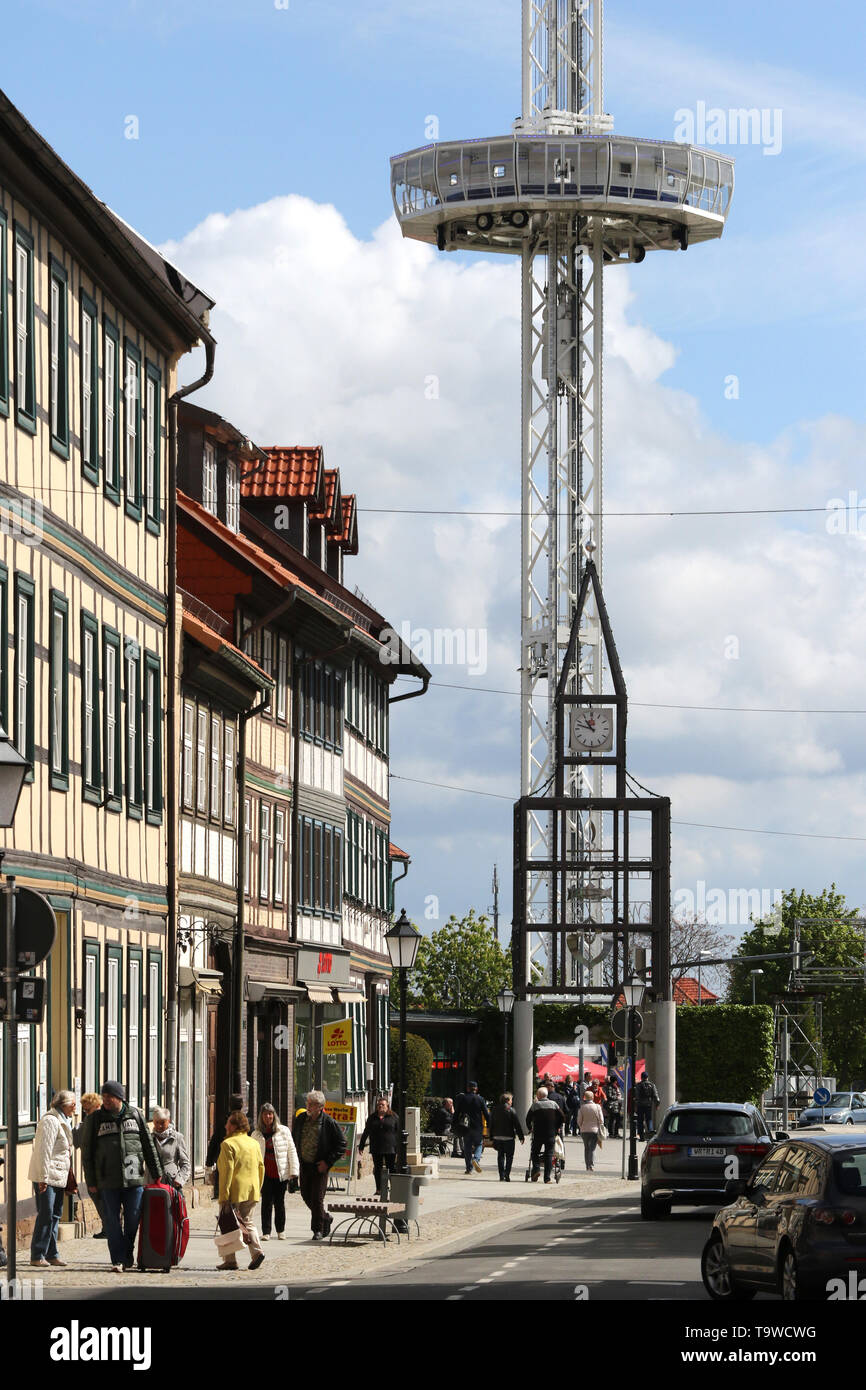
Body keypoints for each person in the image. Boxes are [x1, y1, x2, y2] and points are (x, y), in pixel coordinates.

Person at [82, 1081, 164, 1273]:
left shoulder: (135, 1115)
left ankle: (127, 1254)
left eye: (109, 1097)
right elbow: (87, 1153)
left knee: (133, 1219)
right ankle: (117, 1259)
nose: (106, 1101)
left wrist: (157, 1173)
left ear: (120, 1098)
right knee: (111, 1221)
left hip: (133, 1177)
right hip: (107, 1179)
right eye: (104, 1097)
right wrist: (91, 1181)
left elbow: (148, 1145)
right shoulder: (96, 1119)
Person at [28, 1089, 76, 1267]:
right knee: (46, 1215)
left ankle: (52, 1253)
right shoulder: (50, 1121)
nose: (75, 1106)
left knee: (55, 1215)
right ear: (64, 1104)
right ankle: (37, 1254)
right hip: (47, 1175)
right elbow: (43, 1151)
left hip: (59, 1175)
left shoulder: (65, 1120)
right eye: (72, 1103)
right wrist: (42, 1178)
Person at [291, 1091, 347, 1241]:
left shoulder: (328, 1122)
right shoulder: (301, 1119)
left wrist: (327, 1162)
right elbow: (294, 1138)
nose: (307, 1106)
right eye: (307, 1103)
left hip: (319, 1166)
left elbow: (342, 1144)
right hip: (304, 1164)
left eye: (311, 1104)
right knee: (305, 1195)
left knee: (317, 1199)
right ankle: (325, 1217)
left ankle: (318, 1229)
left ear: (320, 1107)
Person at [216, 1110, 266, 1270]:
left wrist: (223, 1196)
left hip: (234, 1190)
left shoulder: (228, 1144)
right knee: (247, 1222)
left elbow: (227, 1171)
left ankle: (233, 1260)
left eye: (228, 1122)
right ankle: (254, 1253)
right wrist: (258, 1187)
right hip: (252, 1189)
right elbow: (261, 1167)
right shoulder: (253, 1143)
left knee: (229, 1224)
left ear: (235, 1126)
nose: (225, 1125)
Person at [251, 1103, 299, 1240]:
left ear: (274, 1115)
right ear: (261, 1116)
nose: (268, 1117)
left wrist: (294, 1170)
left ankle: (280, 1230)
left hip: (280, 1172)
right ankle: (266, 1232)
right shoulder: (256, 1134)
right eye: (265, 1114)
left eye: (270, 1114)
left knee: (279, 1202)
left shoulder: (283, 1131)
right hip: (264, 1173)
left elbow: (291, 1150)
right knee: (266, 1202)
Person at [74, 1093, 107, 1237]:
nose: (86, 1113)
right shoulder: (90, 1121)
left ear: (98, 1106)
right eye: (85, 1111)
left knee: (101, 1199)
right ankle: (109, 1227)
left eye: (88, 1110)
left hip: (99, 1168)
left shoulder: (94, 1122)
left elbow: (80, 1141)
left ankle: (109, 1228)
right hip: (95, 1167)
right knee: (101, 1199)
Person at [206, 1093, 245, 1197]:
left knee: (224, 1196)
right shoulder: (246, 1122)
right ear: (242, 1105)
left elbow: (214, 1142)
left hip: (223, 1160)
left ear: (230, 1105)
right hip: (242, 1162)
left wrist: (209, 1162)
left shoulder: (224, 1121)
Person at [358, 1096, 400, 1192]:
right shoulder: (372, 1118)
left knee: (391, 1167)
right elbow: (366, 1132)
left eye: (383, 1104)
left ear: (387, 1105)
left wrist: (399, 1147)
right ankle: (379, 1189)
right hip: (377, 1147)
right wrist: (361, 1145)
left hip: (391, 1147)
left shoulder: (394, 1116)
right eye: (379, 1105)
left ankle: (394, 1188)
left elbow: (399, 1132)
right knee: (377, 1168)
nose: (380, 1106)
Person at [526, 1086, 563, 1184]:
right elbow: (562, 1116)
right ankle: (547, 1179)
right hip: (551, 1134)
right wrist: (557, 1127)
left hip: (538, 1134)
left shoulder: (535, 1105)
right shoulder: (554, 1104)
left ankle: (537, 1169)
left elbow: (527, 1119)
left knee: (534, 1152)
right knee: (549, 1155)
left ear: (538, 1095)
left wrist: (530, 1128)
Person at [453, 1081, 490, 1175]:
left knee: (467, 1147)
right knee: (479, 1144)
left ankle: (469, 1169)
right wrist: (490, 1125)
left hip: (465, 1127)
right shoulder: (480, 1099)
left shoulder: (463, 1099)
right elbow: (486, 1113)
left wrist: (454, 1124)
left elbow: (457, 1113)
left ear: (468, 1088)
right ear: (476, 1089)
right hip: (477, 1126)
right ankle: (476, 1160)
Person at [151, 1108, 192, 1189]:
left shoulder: (177, 1138)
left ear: (168, 1121)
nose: (159, 1126)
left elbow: (186, 1164)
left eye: (162, 1123)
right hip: (151, 1183)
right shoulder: (149, 1138)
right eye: (157, 1122)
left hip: (170, 1184)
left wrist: (179, 1180)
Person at [488, 1092, 525, 1181]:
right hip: (509, 1137)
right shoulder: (511, 1110)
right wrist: (521, 1137)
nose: (512, 1101)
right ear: (508, 1100)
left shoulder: (495, 1109)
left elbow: (491, 1123)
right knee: (509, 1157)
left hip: (497, 1136)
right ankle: (507, 1174)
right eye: (511, 1100)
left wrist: (491, 1136)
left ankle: (501, 1175)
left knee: (500, 1156)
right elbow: (517, 1124)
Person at [578, 1090, 605, 1172]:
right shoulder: (597, 1107)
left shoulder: (582, 1108)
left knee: (586, 1148)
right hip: (594, 1130)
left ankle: (587, 1165)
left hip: (584, 1130)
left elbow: (579, 1120)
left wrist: (581, 1127)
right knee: (592, 1148)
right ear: (592, 1097)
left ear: (585, 1098)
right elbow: (601, 1120)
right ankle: (591, 1165)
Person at [635, 1074, 660, 1140]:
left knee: (640, 1120)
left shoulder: (638, 1085)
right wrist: (657, 1104)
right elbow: (656, 1096)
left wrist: (636, 1105)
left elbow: (636, 1096)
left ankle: (641, 1136)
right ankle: (650, 1134)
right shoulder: (652, 1085)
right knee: (649, 1119)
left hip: (640, 1105)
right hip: (648, 1105)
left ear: (641, 1077)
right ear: (647, 1077)